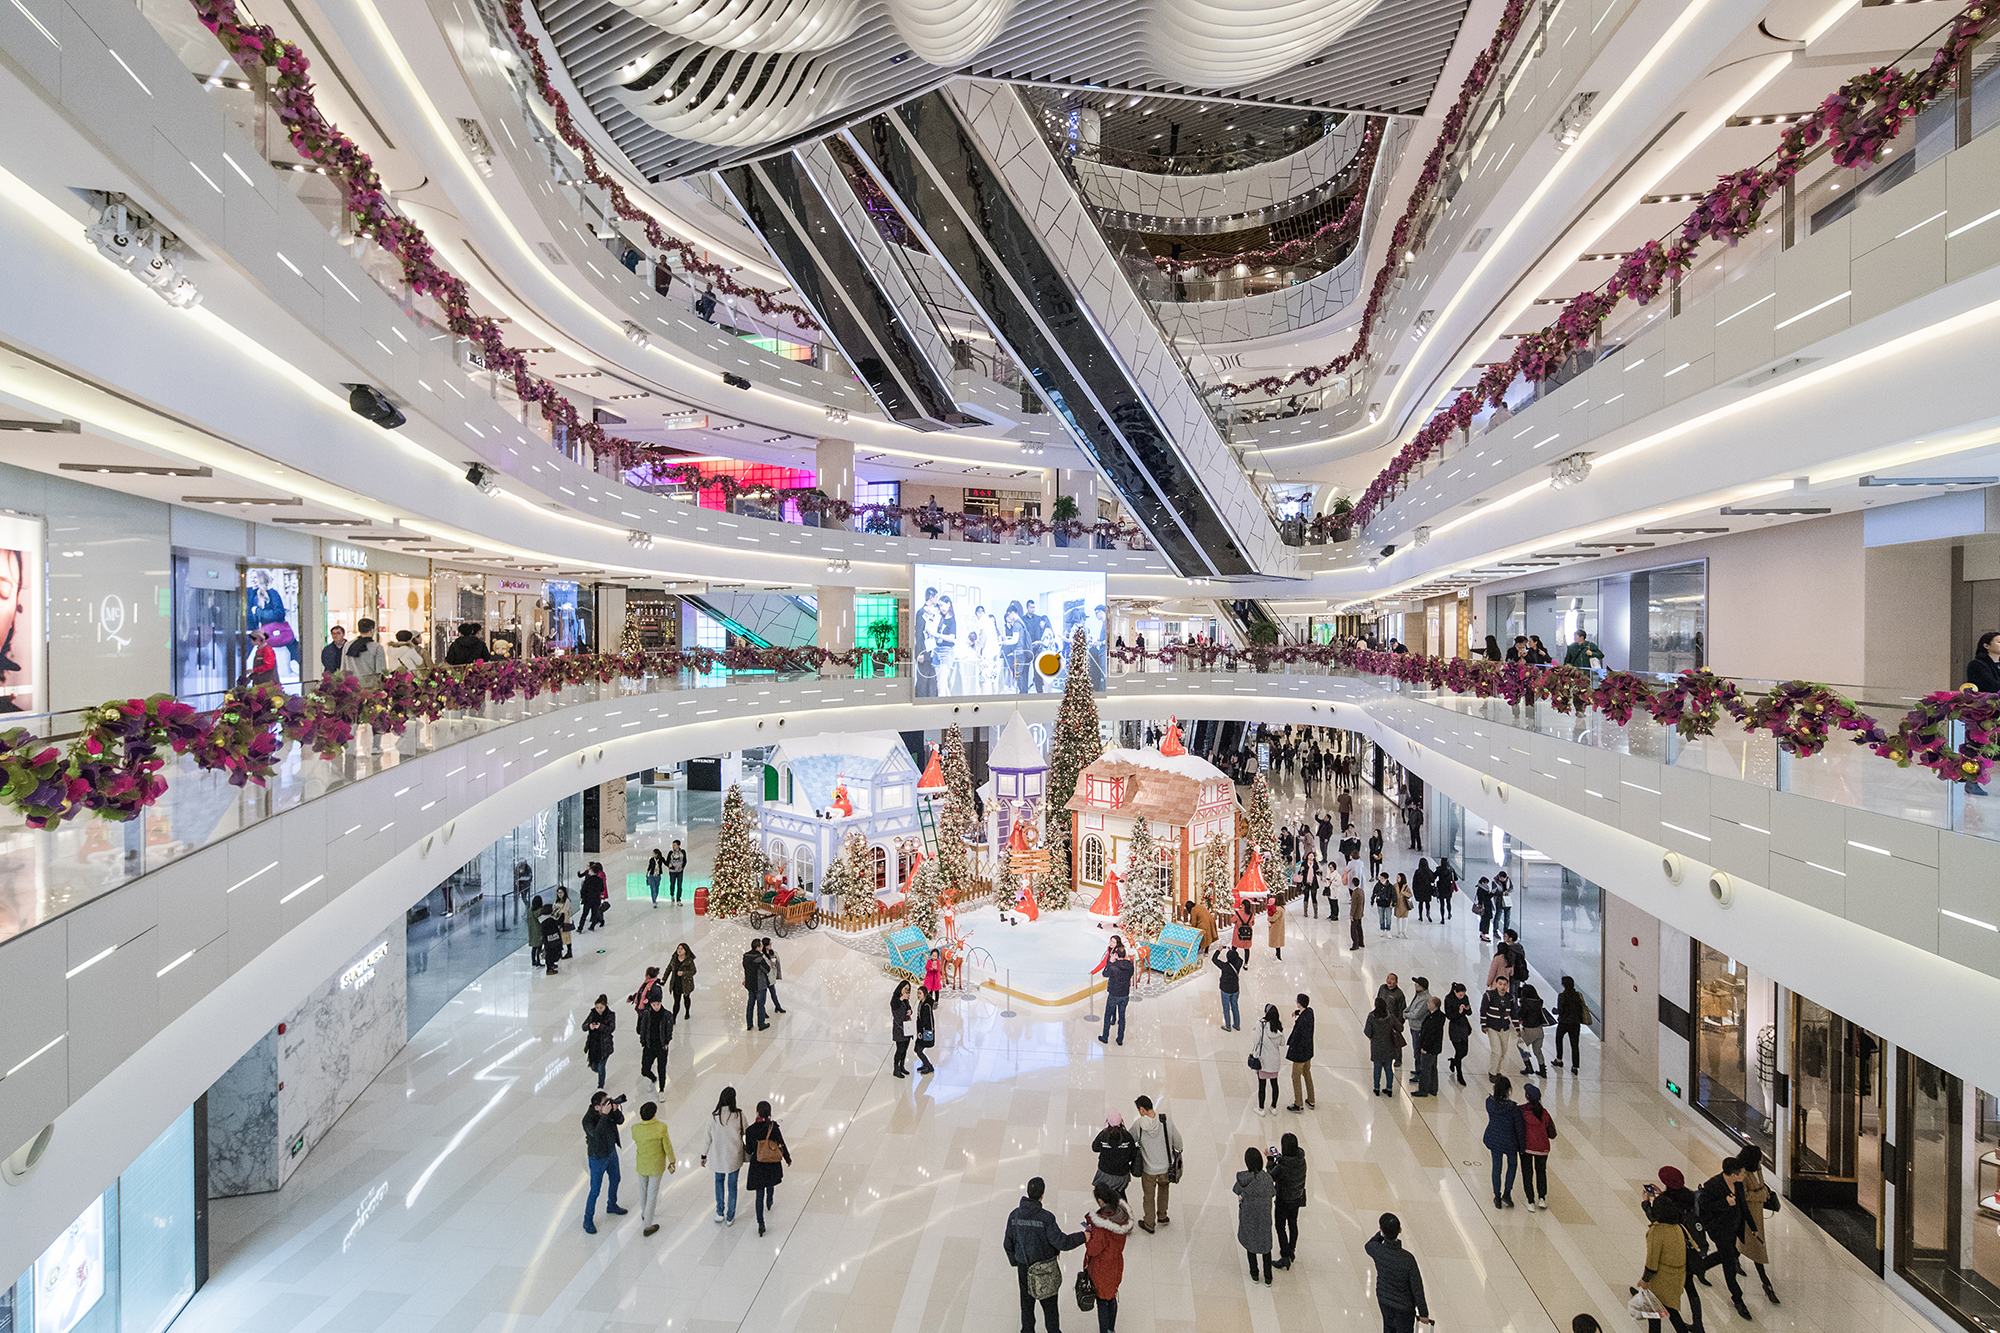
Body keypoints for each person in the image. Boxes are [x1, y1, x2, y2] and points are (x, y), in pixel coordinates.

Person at [1004, 1177, 1084, 1333]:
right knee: (1050, 1309)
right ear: (1042, 1195)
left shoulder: (1014, 1215)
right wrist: (1082, 1236)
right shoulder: (1046, 1218)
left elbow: (1007, 1244)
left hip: (1024, 1269)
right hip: (1045, 1270)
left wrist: (1017, 1262)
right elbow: (1062, 1243)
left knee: (1026, 1306)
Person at [1644, 1167, 1708, 1328]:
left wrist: (1647, 1203)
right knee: (1690, 1287)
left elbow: (1656, 1218)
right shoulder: (1689, 1195)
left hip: (1672, 1256)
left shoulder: (1665, 1203)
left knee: (1661, 1296)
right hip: (1688, 1249)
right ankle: (1698, 1324)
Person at [1697, 1157, 1754, 1319]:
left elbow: (1743, 1206)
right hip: (1719, 1229)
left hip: (1733, 1228)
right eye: (1742, 1173)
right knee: (1729, 1263)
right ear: (1734, 1175)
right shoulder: (1712, 1185)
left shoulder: (1738, 1184)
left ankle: (1700, 1266)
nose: (1745, 1175)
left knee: (1730, 1254)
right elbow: (1704, 1206)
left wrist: (1753, 1227)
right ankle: (1738, 1298)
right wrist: (1725, 1203)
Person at [1366, 1213, 1433, 1332]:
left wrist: (1381, 1233)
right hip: (1404, 1308)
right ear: (1400, 1230)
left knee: (1388, 1327)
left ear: (1381, 1230)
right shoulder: (1407, 1259)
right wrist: (1423, 1313)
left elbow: (1369, 1245)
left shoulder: (1377, 1250)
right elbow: (1417, 1287)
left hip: (1384, 1301)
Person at [1639, 1192, 1696, 1332]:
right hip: (1677, 1278)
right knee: (1672, 1311)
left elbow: (1652, 1262)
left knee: (1654, 1315)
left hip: (1661, 1279)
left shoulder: (1657, 1231)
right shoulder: (1679, 1228)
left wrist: (1644, 1280)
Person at [1735, 1144, 1781, 1305]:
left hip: (1757, 1213)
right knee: (1757, 1246)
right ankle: (1766, 1283)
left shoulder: (1757, 1168)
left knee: (1745, 1242)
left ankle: (1735, 1261)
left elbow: (1761, 1186)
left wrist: (1763, 1192)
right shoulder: (1742, 1174)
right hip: (1747, 1215)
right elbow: (1743, 1195)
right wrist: (1761, 1194)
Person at [1082, 1185, 1132, 1331]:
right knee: (1111, 1297)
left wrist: (1087, 1236)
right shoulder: (1121, 1217)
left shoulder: (1101, 1227)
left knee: (1102, 1301)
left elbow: (1093, 1249)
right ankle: (1111, 1328)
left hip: (1102, 1269)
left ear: (1100, 1201)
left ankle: (1105, 1330)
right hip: (1116, 1265)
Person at [1130, 1095, 1181, 1233]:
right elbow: (1178, 1142)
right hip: (1166, 1167)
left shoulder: (1138, 1125)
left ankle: (1149, 1223)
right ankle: (1162, 1216)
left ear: (1142, 1109)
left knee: (1149, 1197)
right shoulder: (1165, 1120)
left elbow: (1130, 1140)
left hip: (1148, 1170)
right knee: (1164, 1189)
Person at [580, 1091, 628, 1234]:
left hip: (611, 1151)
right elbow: (597, 1134)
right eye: (604, 1103)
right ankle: (587, 1220)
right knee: (595, 1190)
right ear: (597, 1107)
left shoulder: (608, 1111)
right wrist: (605, 1116)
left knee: (616, 1179)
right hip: (598, 1157)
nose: (608, 1104)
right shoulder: (587, 1120)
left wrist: (615, 1111)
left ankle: (612, 1205)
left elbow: (621, 1121)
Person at [700, 1087, 748, 1226]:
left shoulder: (713, 1117)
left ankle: (719, 1212)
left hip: (718, 1157)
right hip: (734, 1157)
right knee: (732, 1185)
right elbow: (747, 1131)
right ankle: (730, 1215)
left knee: (719, 1182)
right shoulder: (739, 1115)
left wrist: (703, 1155)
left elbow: (707, 1139)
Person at [743, 1100, 791, 1237]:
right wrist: (787, 1158)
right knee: (770, 1183)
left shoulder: (750, 1130)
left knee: (759, 1194)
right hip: (771, 1163)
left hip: (757, 1165)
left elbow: (749, 1150)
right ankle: (769, 1201)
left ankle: (761, 1223)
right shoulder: (773, 1127)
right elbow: (781, 1143)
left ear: (757, 1112)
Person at [631, 1101, 677, 1236]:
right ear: (654, 1114)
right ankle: (647, 1225)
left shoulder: (635, 1128)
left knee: (643, 1190)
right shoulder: (661, 1127)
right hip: (656, 1165)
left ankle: (644, 1214)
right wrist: (672, 1160)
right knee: (652, 1194)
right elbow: (667, 1146)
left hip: (642, 1164)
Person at [1234, 1146, 1276, 1286]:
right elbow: (1273, 1192)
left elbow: (1236, 1190)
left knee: (1250, 1245)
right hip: (1264, 1218)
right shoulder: (1267, 1179)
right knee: (1266, 1247)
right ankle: (1268, 1277)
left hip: (1248, 1217)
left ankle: (1254, 1274)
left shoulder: (1243, 1179)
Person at [1484, 1075, 1525, 1209]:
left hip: (1494, 1138)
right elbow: (1519, 1128)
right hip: (1510, 1141)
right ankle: (1507, 1193)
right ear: (1508, 1090)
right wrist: (1522, 1146)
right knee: (1512, 1165)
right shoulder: (1513, 1108)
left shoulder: (1489, 1103)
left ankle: (1497, 1195)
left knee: (1496, 1167)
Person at [1271, 1133, 1307, 1270]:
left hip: (1283, 1200)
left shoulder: (1282, 1167)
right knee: (1293, 1223)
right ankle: (1291, 1250)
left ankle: (1285, 1256)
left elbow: (1270, 1177)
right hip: (1297, 1197)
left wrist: (1270, 1160)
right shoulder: (1301, 1159)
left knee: (1280, 1227)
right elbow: (1288, 1163)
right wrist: (1279, 1158)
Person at [1518, 1083, 1557, 1210]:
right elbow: (1552, 1134)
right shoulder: (1544, 1113)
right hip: (1542, 1148)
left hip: (1527, 1147)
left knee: (1527, 1173)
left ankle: (1530, 1201)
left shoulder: (1522, 1112)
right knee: (1541, 1172)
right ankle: (1542, 1198)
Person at [1089, 1115, 1137, 1201]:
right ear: (1121, 1122)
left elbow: (1095, 1148)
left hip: (1104, 1173)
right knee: (1121, 1195)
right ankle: (1123, 1208)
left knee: (1105, 1197)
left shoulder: (1103, 1135)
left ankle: (1108, 1208)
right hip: (1122, 1175)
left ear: (1108, 1122)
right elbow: (1133, 1155)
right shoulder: (1127, 1136)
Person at [1251, 1004, 1284, 1116]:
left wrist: (1254, 1031)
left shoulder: (1261, 1025)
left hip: (1264, 1060)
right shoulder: (1278, 1026)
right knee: (1274, 1084)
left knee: (1262, 1085)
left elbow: (1255, 1040)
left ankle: (1261, 1108)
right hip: (1275, 1060)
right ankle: (1273, 1107)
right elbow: (1282, 1042)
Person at [1285, 993, 1315, 1112]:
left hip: (1300, 1054)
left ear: (1299, 1003)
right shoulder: (1310, 1012)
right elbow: (1304, 1012)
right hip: (1308, 1051)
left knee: (1295, 1077)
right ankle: (1311, 1100)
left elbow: (1297, 1038)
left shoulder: (1301, 1022)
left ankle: (1298, 1104)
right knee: (1307, 1073)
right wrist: (1297, 1012)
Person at [1099, 939, 1133, 1045]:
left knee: (1108, 1015)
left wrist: (1110, 962)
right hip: (1125, 994)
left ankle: (1105, 1037)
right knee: (1122, 1017)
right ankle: (1120, 1039)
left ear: (1116, 955)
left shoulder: (1113, 967)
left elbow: (1104, 973)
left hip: (1113, 994)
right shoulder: (1130, 965)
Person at [637, 993, 673, 1091]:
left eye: (658, 1004)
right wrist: (643, 1042)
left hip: (661, 1046)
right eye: (654, 1005)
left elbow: (669, 1030)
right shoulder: (647, 1014)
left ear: (661, 1003)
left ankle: (661, 1089)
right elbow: (643, 1029)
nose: (656, 1007)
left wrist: (666, 1042)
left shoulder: (667, 1015)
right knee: (645, 1069)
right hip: (649, 1046)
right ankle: (653, 1078)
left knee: (661, 1069)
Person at [1364, 998, 1399, 1096]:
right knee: (1388, 1068)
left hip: (1377, 1047)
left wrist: (1371, 1036)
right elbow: (1400, 1027)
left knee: (1377, 1069)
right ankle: (1389, 1088)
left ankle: (1376, 1088)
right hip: (1389, 1046)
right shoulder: (1390, 1016)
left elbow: (1367, 1031)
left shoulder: (1371, 1017)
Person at [1554, 975, 1587, 1071]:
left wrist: (1554, 1011)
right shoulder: (1578, 995)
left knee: (1559, 1039)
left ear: (1563, 985)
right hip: (1575, 1023)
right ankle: (1575, 1066)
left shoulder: (1562, 996)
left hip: (1564, 1022)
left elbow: (1560, 1010)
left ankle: (1559, 1060)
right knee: (1574, 1044)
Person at [583, 994, 615, 1090]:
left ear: (605, 1006)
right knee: (594, 1066)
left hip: (605, 1045)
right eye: (597, 1007)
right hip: (594, 1045)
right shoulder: (592, 1014)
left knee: (601, 1065)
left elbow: (611, 1028)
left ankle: (600, 1086)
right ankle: (602, 1073)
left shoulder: (610, 1015)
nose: (599, 1010)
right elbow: (584, 1026)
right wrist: (589, 1026)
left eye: (601, 1008)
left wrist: (600, 1026)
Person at [1414, 996, 1444, 1097]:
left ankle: (1423, 1090)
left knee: (1425, 1069)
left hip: (1429, 1048)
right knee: (1433, 1068)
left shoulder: (1434, 1019)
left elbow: (1430, 1035)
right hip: (1435, 1048)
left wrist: (1424, 1047)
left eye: (1429, 1003)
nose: (1428, 1004)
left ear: (1434, 1005)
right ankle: (1433, 1088)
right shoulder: (1438, 1016)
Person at [343, 617, 386, 685]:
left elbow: (343, 668)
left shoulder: (348, 645)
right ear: (372, 630)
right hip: (370, 686)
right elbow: (380, 671)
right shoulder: (377, 647)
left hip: (351, 685)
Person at [1445, 983, 1473, 1086]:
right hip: (1455, 1028)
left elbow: (1469, 1013)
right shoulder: (1449, 999)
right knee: (1459, 1050)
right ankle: (1459, 1074)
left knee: (1464, 1051)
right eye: (1460, 995)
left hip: (1463, 1027)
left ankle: (1454, 1061)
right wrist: (1459, 1011)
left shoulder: (1465, 998)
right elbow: (1449, 1016)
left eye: (1463, 994)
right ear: (1455, 992)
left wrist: (1467, 1009)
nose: (1462, 997)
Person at [1211, 943, 1244, 1031]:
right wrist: (1232, 952)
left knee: (1226, 1008)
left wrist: (1219, 950)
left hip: (1225, 990)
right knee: (1235, 1007)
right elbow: (1240, 959)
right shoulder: (1239, 963)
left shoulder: (1224, 966)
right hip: (1235, 989)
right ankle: (1237, 1025)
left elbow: (1214, 959)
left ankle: (1228, 1026)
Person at [742, 939, 771, 1031]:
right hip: (759, 985)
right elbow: (767, 969)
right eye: (761, 946)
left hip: (750, 984)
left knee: (750, 1005)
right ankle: (761, 1024)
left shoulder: (746, 957)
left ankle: (749, 1024)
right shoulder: (759, 958)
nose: (762, 947)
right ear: (757, 948)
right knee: (760, 1005)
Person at [890, 979, 913, 1077]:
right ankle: (896, 1069)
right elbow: (894, 1006)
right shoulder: (896, 998)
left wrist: (910, 1011)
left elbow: (909, 1008)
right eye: (905, 988)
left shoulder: (906, 1000)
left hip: (906, 1027)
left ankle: (902, 1066)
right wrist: (901, 998)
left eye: (908, 989)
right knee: (900, 1049)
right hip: (899, 1028)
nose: (906, 991)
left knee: (905, 1049)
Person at [913, 985, 937, 1075]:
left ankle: (928, 1066)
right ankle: (925, 1064)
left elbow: (925, 1020)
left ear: (925, 994)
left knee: (918, 1050)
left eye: (920, 993)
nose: (918, 995)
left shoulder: (926, 1006)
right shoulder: (922, 1003)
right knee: (918, 1049)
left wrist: (921, 1031)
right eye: (917, 993)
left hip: (924, 1031)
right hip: (922, 1030)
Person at [667, 942, 696, 1019]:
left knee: (686, 998)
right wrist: (664, 979)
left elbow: (693, 971)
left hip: (686, 984)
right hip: (676, 983)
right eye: (678, 949)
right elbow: (669, 969)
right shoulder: (674, 959)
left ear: (685, 950)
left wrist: (683, 973)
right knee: (676, 1001)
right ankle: (674, 1018)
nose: (679, 950)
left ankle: (687, 1011)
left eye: (681, 949)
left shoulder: (689, 960)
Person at [760, 938, 786, 1013]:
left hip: (771, 977)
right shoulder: (762, 956)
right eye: (769, 944)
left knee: (773, 994)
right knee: (763, 997)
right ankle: (763, 1011)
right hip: (764, 978)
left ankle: (778, 1007)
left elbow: (775, 964)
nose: (771, 944)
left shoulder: (772, 953)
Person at [1348, 873, 1366, 950]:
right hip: (1360, 913)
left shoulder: (1355, 893)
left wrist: (1352, 914)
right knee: (1359, 928)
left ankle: (1355, 944)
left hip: (1355, 914)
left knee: (1353, 929)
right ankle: (1361, 942)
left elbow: (1354, 905)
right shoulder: (1361, 891)